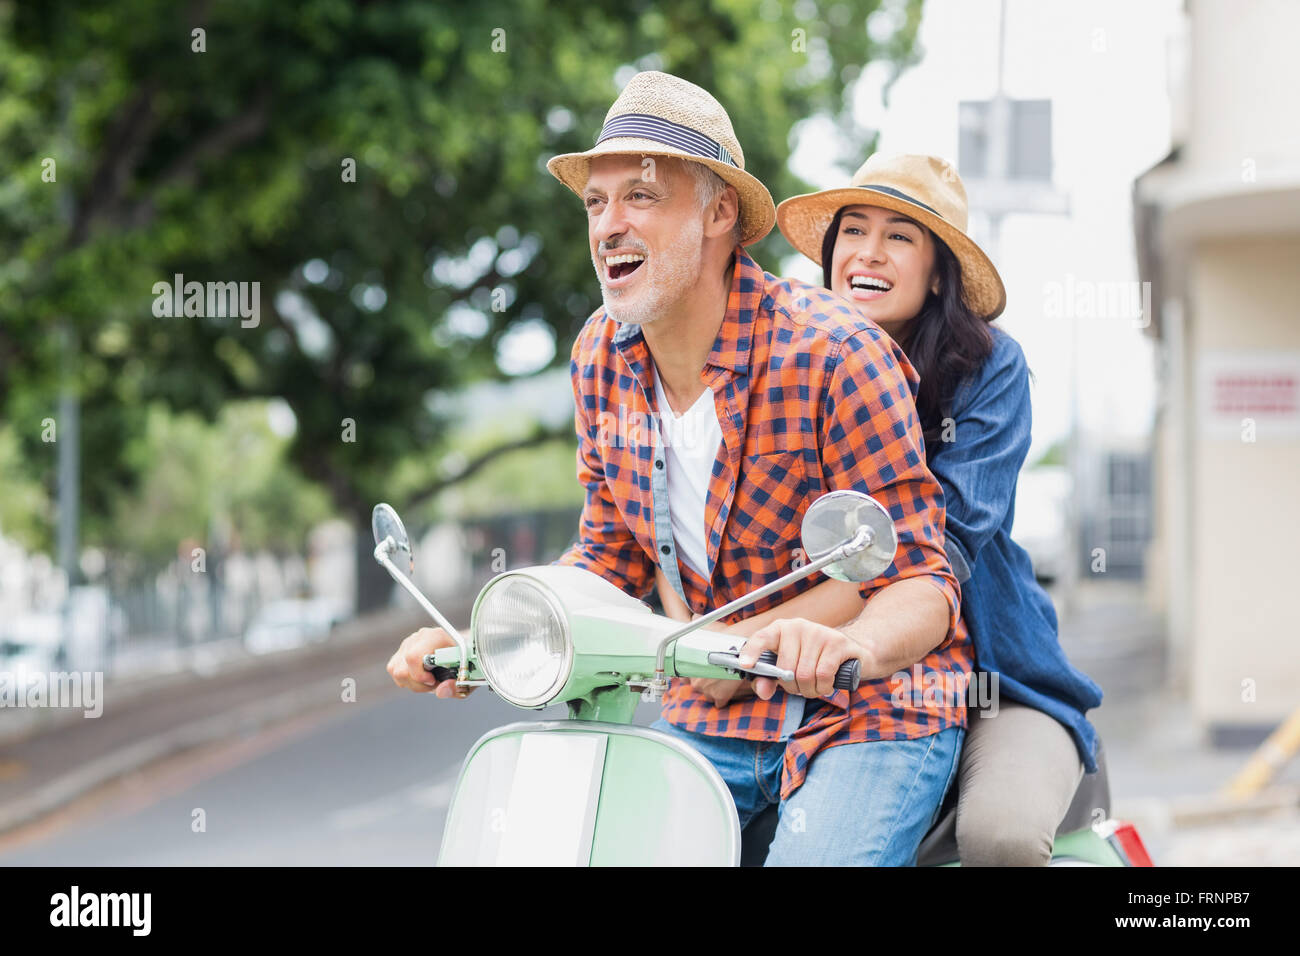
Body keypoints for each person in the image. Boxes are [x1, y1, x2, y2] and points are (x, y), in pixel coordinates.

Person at [388, 72, 970, 866]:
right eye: (596, 202)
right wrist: (482, 639)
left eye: (641, 196)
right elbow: (608, 559)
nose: (609, 225)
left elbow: (920, 581)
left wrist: (852, 648)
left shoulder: (837, 352)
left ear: (719, 213)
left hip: (871, 713)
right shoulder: (600, 357)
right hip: (716, 718)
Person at [757, 152, 1105, 865]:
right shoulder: (792, 363)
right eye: (853, 231)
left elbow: (936, 545)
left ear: (939, 269)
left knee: (1000, 836)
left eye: (900, 236)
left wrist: (775, 626)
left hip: (991, 678)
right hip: (827, 670)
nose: (869, 253)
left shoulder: (989, 370)